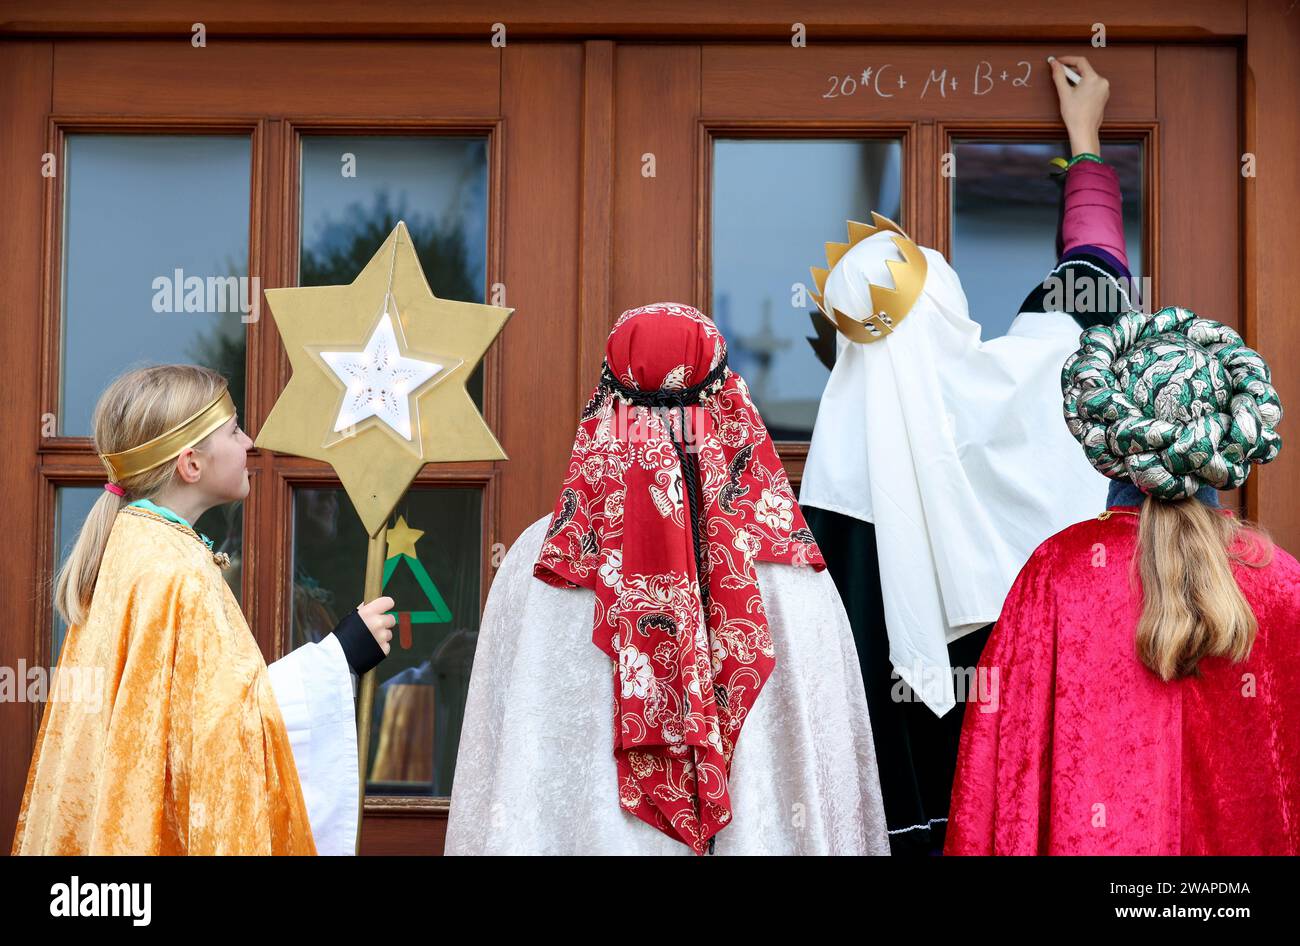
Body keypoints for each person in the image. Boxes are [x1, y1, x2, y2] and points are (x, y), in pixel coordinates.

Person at [797, 55, 1125, 854]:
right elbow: (1095, 284)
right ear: (946, 301)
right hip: (1040, 803)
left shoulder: (826, 500)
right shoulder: (1042, 393)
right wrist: (1085, 145)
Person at [446, 302, 889, 855]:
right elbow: (829, 772)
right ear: (729, 401)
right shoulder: (790, 569)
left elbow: (498, 766)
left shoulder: (543, 561)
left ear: (607, 404)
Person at [946, 303, 1295, 855]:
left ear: (1108, 436)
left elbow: (1000, 785)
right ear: (1227, 429)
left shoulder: (1055, 577)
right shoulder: (1283, 584)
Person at [12, 364, 396, 855]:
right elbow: (221, 733)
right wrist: (340, 656)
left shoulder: (138, 545)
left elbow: (179, 723)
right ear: (191, 464)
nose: (250, 441)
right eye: (235, 431)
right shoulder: (176, 570)